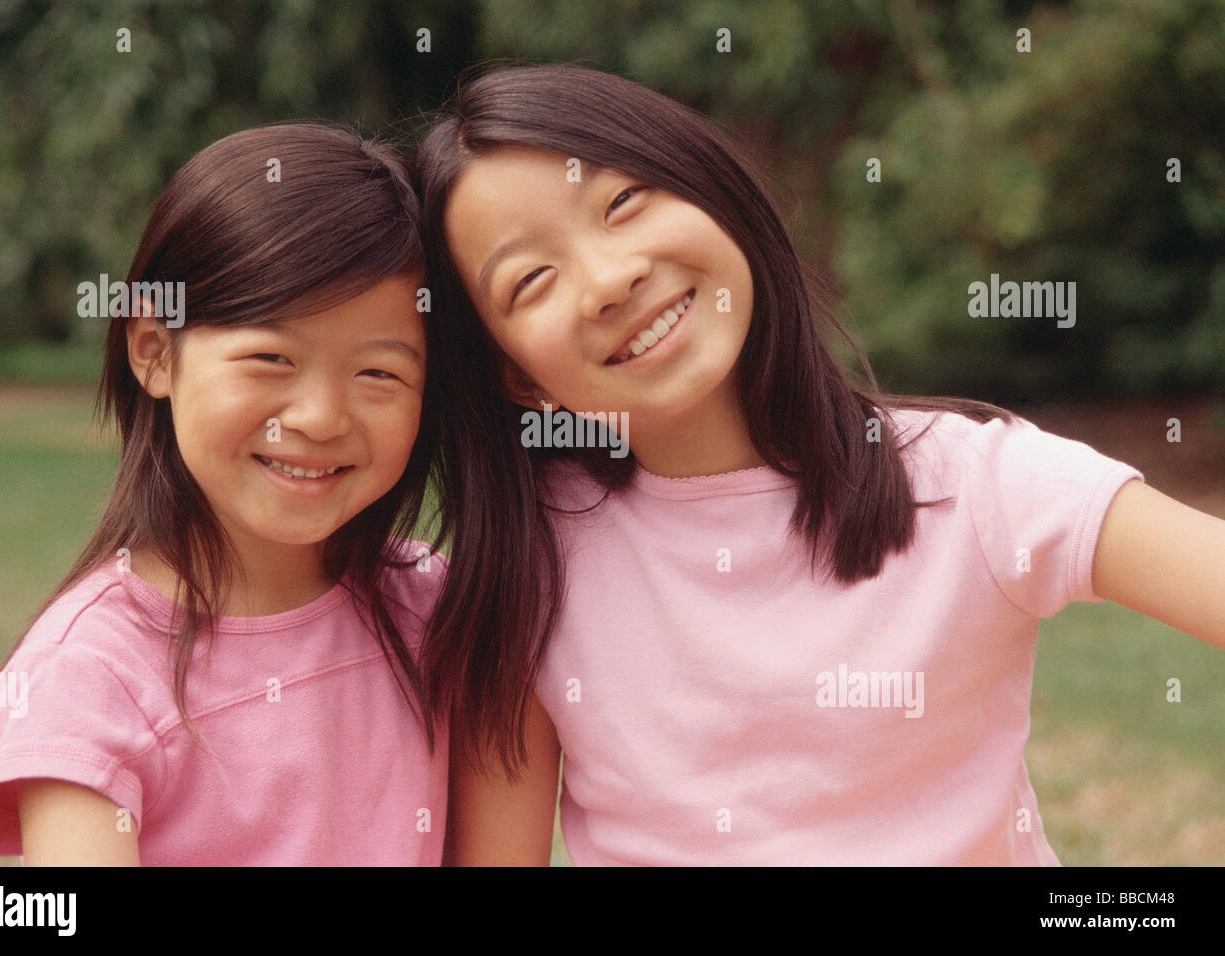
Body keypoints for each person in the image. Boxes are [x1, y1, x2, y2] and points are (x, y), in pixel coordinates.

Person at [414, 64, 1225, 865]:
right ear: (518, 376)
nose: (608, 279)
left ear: (711, 189)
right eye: (532, 280)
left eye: (623, 203)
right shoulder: (524, 571)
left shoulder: (974, 484)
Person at [0, 123, 449, 865]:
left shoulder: (434, 611)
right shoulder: (89, 676)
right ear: (156, 351)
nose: (320, 417)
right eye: (269, 357)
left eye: (378, 373)